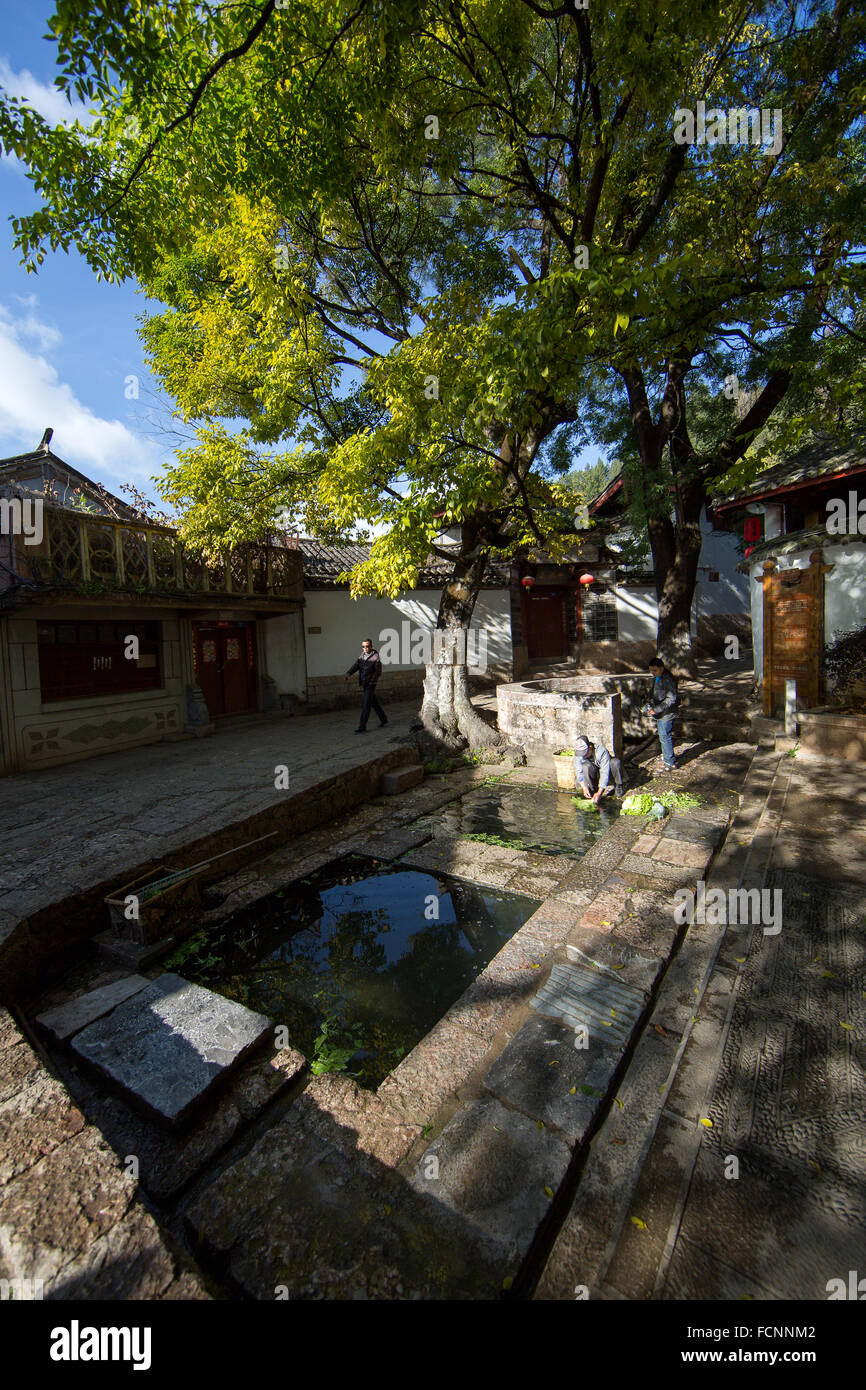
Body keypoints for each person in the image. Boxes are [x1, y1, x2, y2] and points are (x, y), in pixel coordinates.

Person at [344, 637, 388, 733]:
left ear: (371, 646)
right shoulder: (362, 655)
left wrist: (372, 682)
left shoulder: (375, 657)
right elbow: (356, 665)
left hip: (370, 684)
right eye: (363, 646)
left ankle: (362, 726)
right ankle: (383, 719)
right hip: (364, 683)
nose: (365, 648)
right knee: (373, 702)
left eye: (367, 646)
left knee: (366, 705)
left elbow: (378, 672)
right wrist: (349, 673)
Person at [643, 655, 678, 770]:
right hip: (660, 712)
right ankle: (668, 759)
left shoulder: (668, 679)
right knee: (663, 735)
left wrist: (656, 709)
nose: (652, 673)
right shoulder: (658, 676)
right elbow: (654, 689)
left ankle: (670, 762)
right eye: (651, 670)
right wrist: (649, 697)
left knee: (665, 736)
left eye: (655, 670)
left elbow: (672, 699)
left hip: (666, 713)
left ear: (661, 668)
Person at [573, 735, 624, 803]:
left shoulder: (601, 751)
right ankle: (592, 789)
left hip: (608, 770)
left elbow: (604, 772)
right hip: (594, 772)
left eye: (585, 753)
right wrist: (584, 787)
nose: (583, 756)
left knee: (615, 762)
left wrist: (599, 793)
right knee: (585, 766)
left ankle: (618, 785)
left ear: (590, 747)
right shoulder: (578, 754)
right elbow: (579, 771)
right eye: (581, 754)